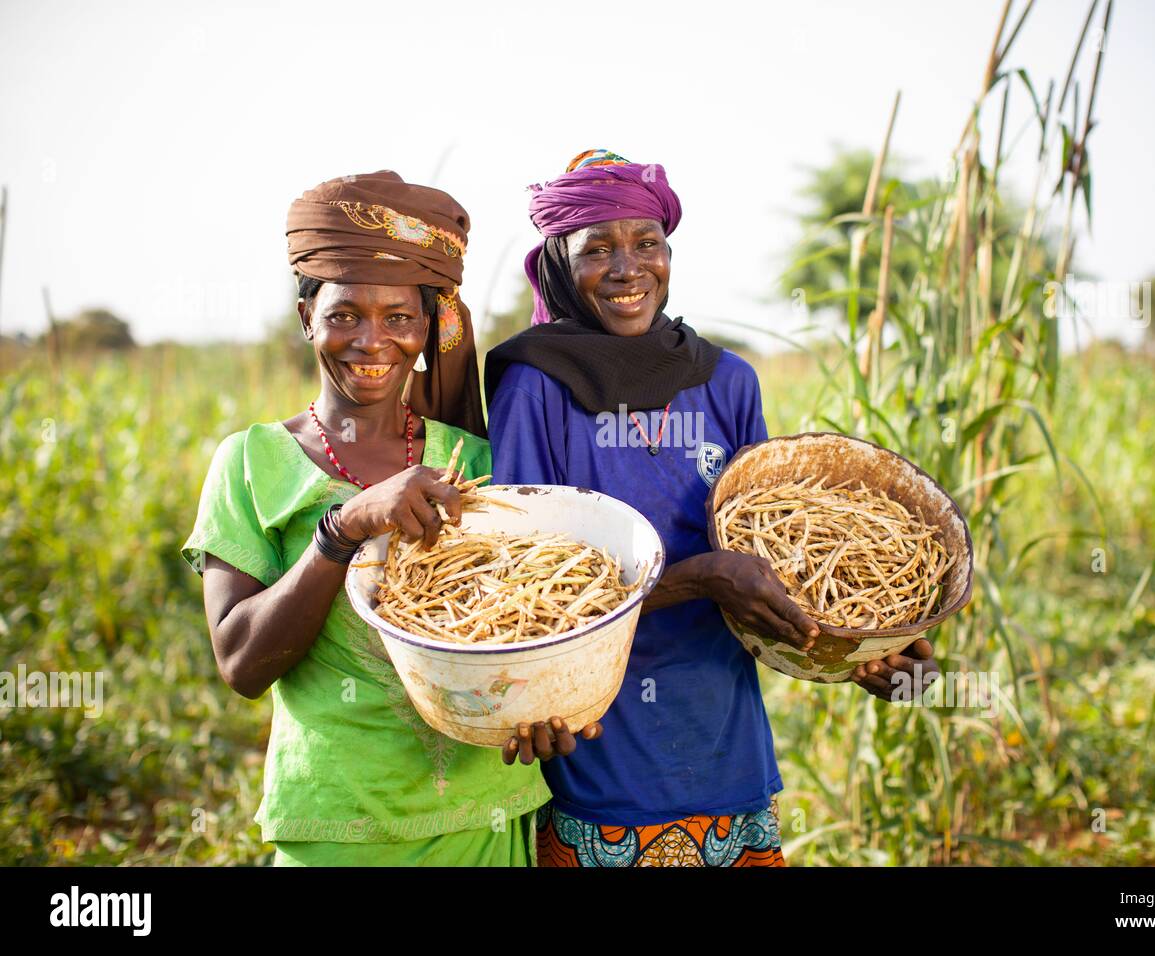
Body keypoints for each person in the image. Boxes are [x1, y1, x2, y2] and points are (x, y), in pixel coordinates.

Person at [485, 149, 940, 867]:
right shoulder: (534, 387)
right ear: (557, 267)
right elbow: (530, 590)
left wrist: (864, 650)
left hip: (726, 755)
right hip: (600, 762)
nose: (629, 267)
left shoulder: (726, 382)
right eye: (597, 248)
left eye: (647, 243)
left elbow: (779, 560)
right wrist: (702, 577)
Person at [182, 171, 588, 866]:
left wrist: (545, 711)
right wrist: (343, 530)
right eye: (344, 314)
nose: (372, 341)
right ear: (307, 317)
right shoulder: (252, 463)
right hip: (336, 825)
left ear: (429, 328)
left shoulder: (476, 461)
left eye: (399, 317)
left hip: (480, 817)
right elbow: (243, 664)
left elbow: (527, 630)